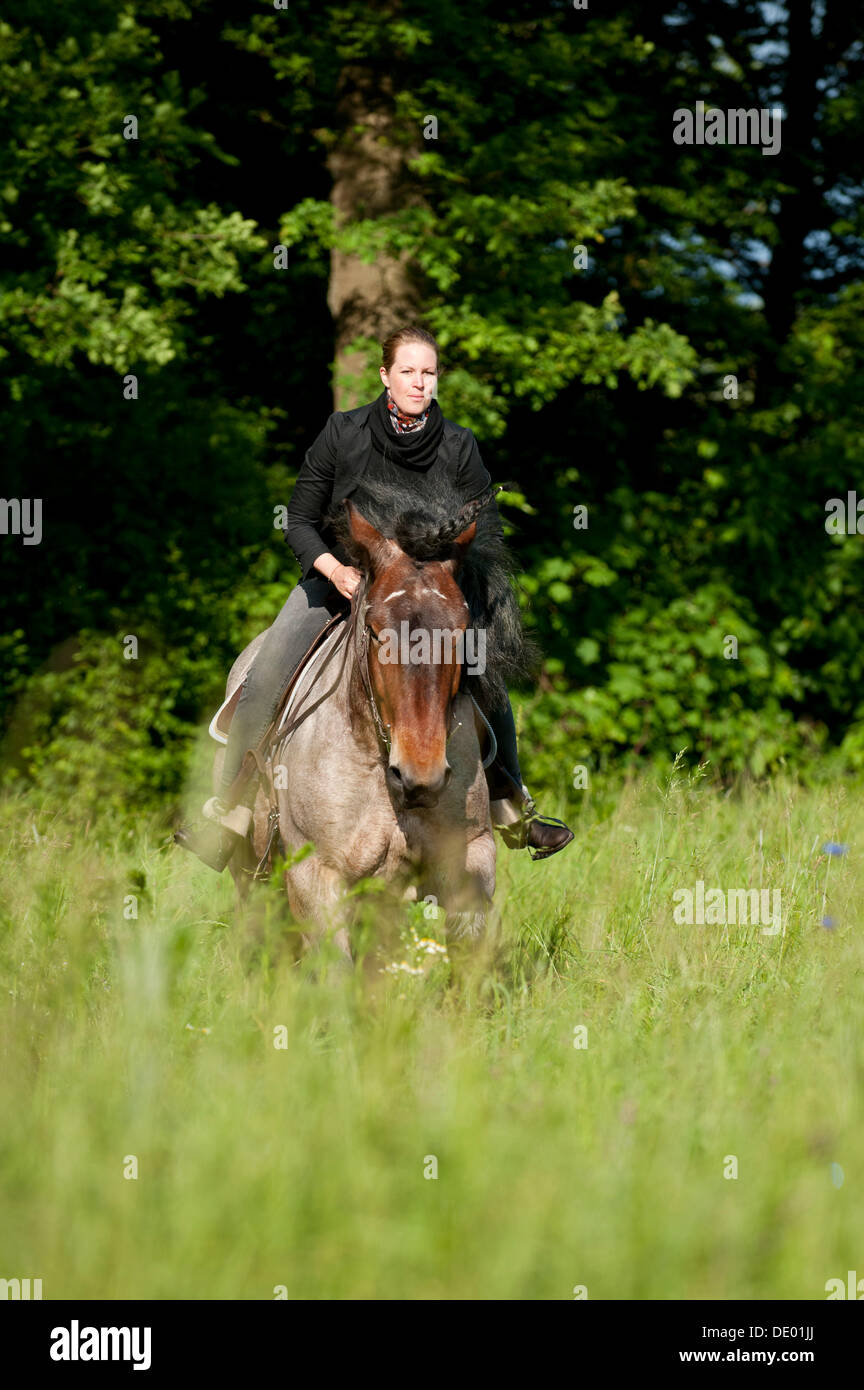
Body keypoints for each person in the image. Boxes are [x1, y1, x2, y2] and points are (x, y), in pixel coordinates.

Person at [176, 326, 574, 871]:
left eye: (429, 372)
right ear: (386, 376)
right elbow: (297, 521)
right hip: (344, 582)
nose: (419, 381)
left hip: (431, 596)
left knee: (489, 677)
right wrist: (336, 569)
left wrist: (446, 580)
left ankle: (512, 803)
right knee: (266, 672)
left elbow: (489, 536)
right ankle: (228, 816)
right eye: (408, 371)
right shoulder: (344, 433)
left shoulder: (459, 445)